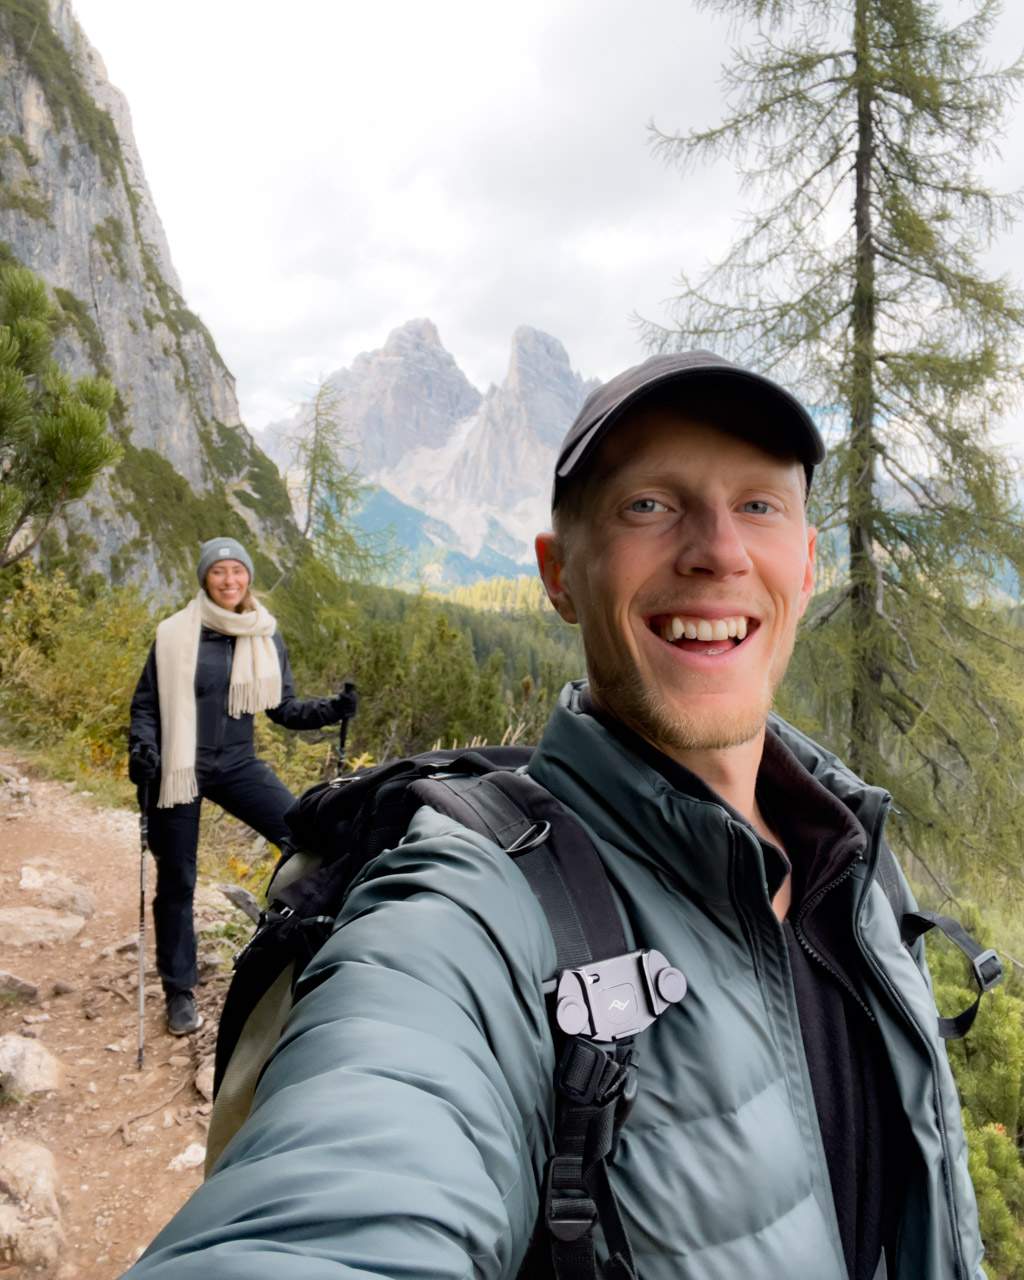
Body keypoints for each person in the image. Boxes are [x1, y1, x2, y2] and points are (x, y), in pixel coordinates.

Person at [122, 356, 983, 1279]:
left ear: (807, 567)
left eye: (760, 506)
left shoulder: (853, 855)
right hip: (178, 777)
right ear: (559, 574)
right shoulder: (478, 906)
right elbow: (353, 1163)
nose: (719, 551)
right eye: (649, 504)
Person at [128, 536, 357, 1036]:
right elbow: (146, 705)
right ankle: (179, 991)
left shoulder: (263, 634)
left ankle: (297, 945)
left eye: (237, 571)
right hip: (178, 768)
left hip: (236, 764)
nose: (230, 580)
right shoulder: (174, 634)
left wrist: (330, 709)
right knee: (178, 879)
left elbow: (283, 708)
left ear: (248, 576)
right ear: (205, 578)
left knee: (305, 835)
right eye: (219, 572)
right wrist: (142, 748)